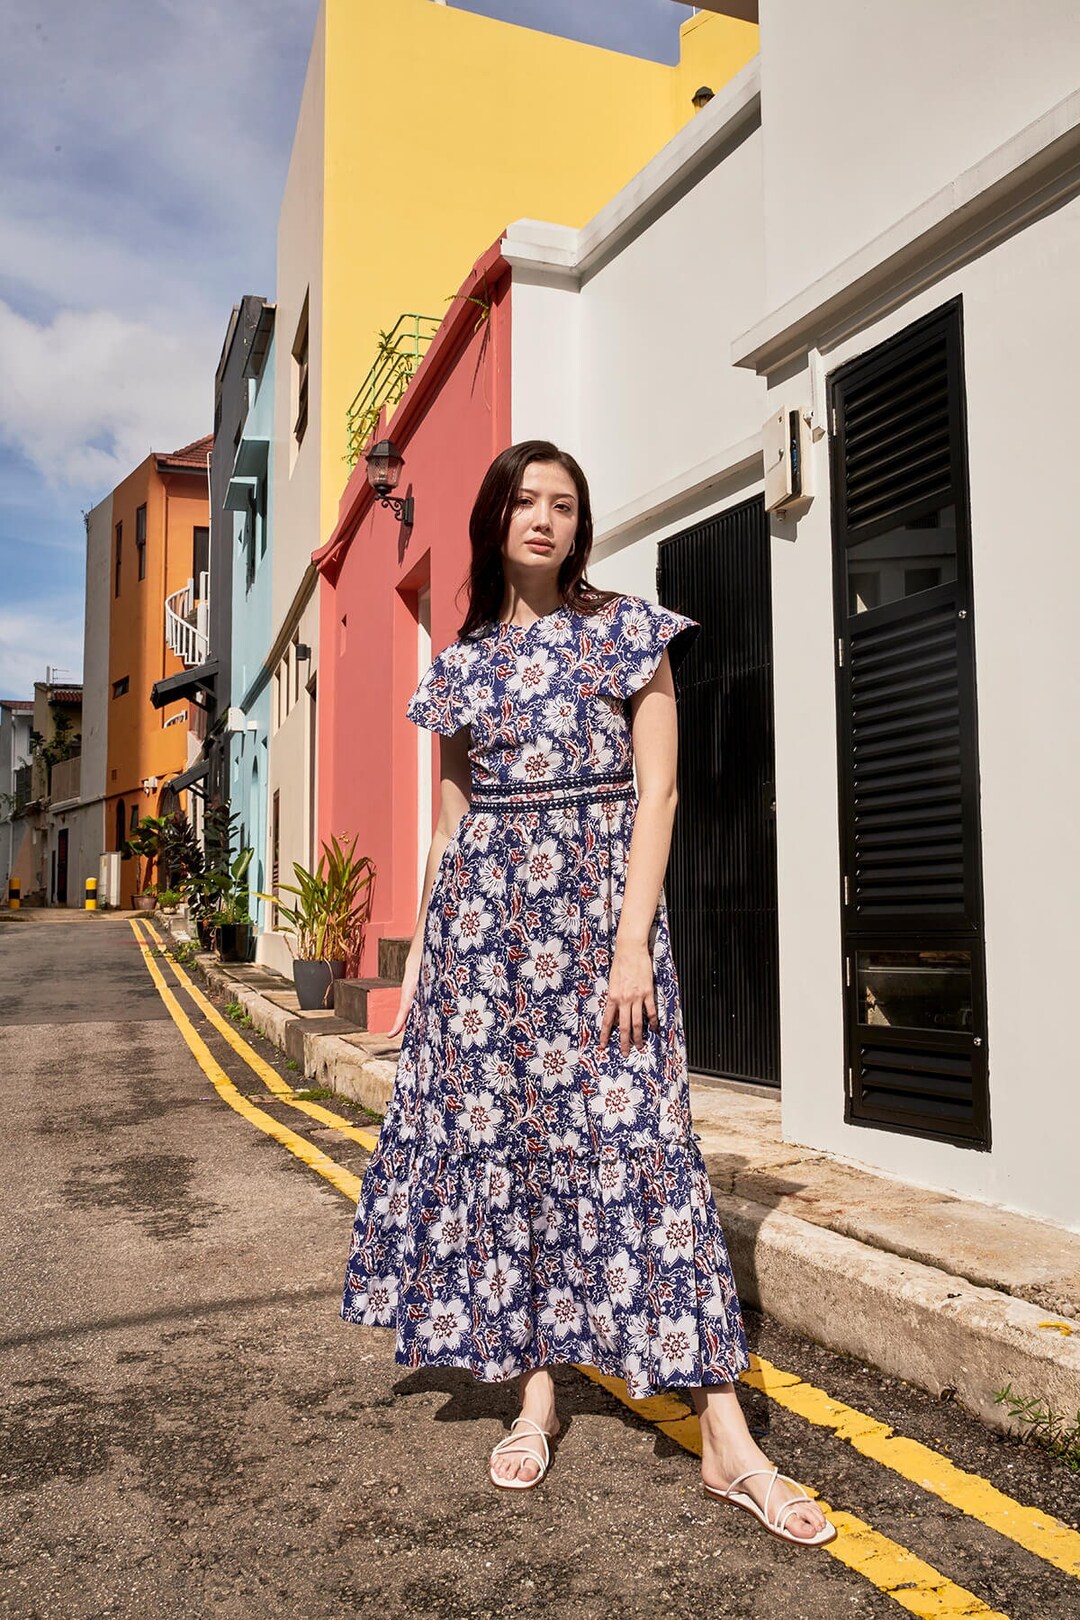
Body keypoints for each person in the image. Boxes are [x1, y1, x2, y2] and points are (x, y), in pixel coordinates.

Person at [341, 441, 834, 1546]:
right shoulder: (462, 663)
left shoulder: (627, 634)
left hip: (598, 930)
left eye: (565, 505)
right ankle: (535, 1395)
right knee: (514, 1157)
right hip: (484, 945)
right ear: (494, 517)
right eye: (526, 500)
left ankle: (724, 1432)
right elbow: (454, 821)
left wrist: (626, 946)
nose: (546, 519)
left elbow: (657, 796)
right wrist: (426, 954)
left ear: (582, 525)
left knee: (645, 1150)